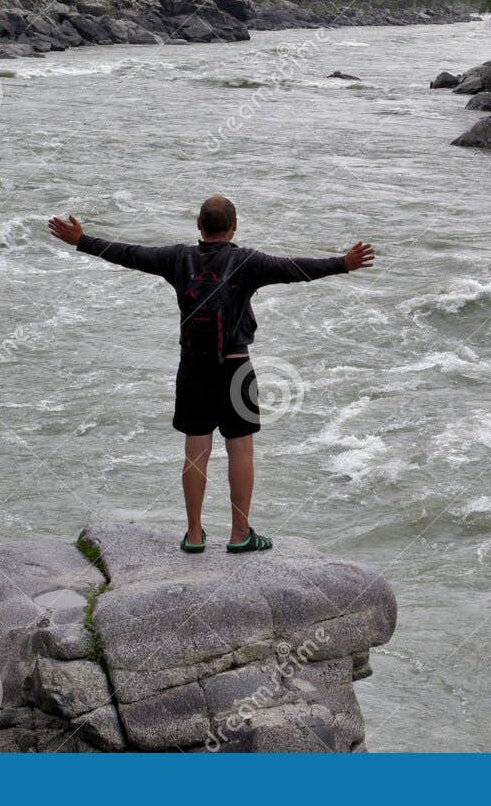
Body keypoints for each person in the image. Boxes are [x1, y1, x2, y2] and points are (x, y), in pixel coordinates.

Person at [47, 196, 375, 554]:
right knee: (241, 452)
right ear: (234, 226)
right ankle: (239, 534)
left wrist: (82, 241)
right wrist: (343, 264)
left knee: (195, 452)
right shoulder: (248, 261)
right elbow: (295, 269)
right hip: (236, 367)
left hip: (193, 368)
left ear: (198, 226)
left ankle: (194, 533)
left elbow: (129, 253)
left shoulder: (176, 258)